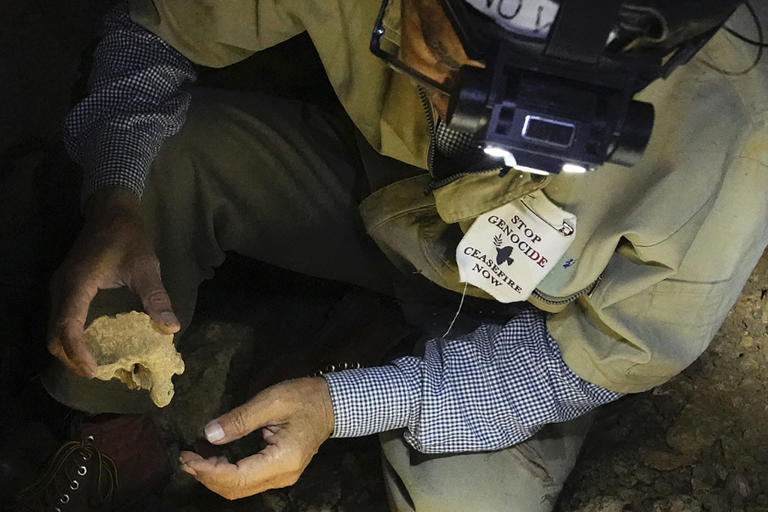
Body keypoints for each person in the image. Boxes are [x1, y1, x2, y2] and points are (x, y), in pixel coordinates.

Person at [39, 0, 768, 510]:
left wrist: (346, 404)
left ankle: (371, 348)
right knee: (157, 158)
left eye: (551, 110)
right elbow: (152, 34)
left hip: (526, 323)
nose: (465, 115)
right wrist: (113, 198)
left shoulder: (732, 113)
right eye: (451, 61)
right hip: (382, 199)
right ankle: (111, 431)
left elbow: (594, 356)